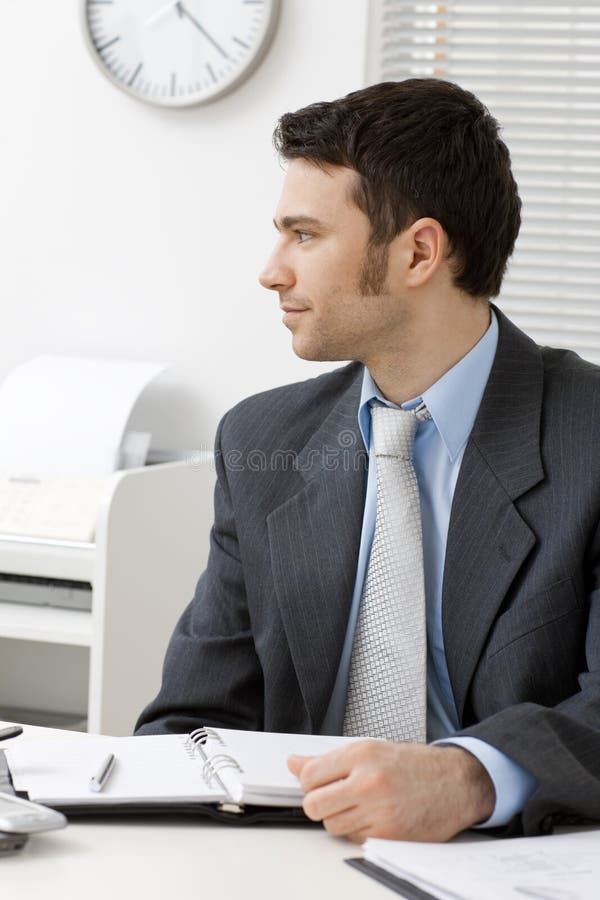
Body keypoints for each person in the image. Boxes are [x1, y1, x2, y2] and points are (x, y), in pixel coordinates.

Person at [136, 79, 600, 842]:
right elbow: (194, 722)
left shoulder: (588, 436)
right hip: (294, 862)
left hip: (518, 861)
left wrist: (473, 776)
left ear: (419, 251)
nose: (272, 269)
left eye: (305, 236)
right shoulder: (264, 440)